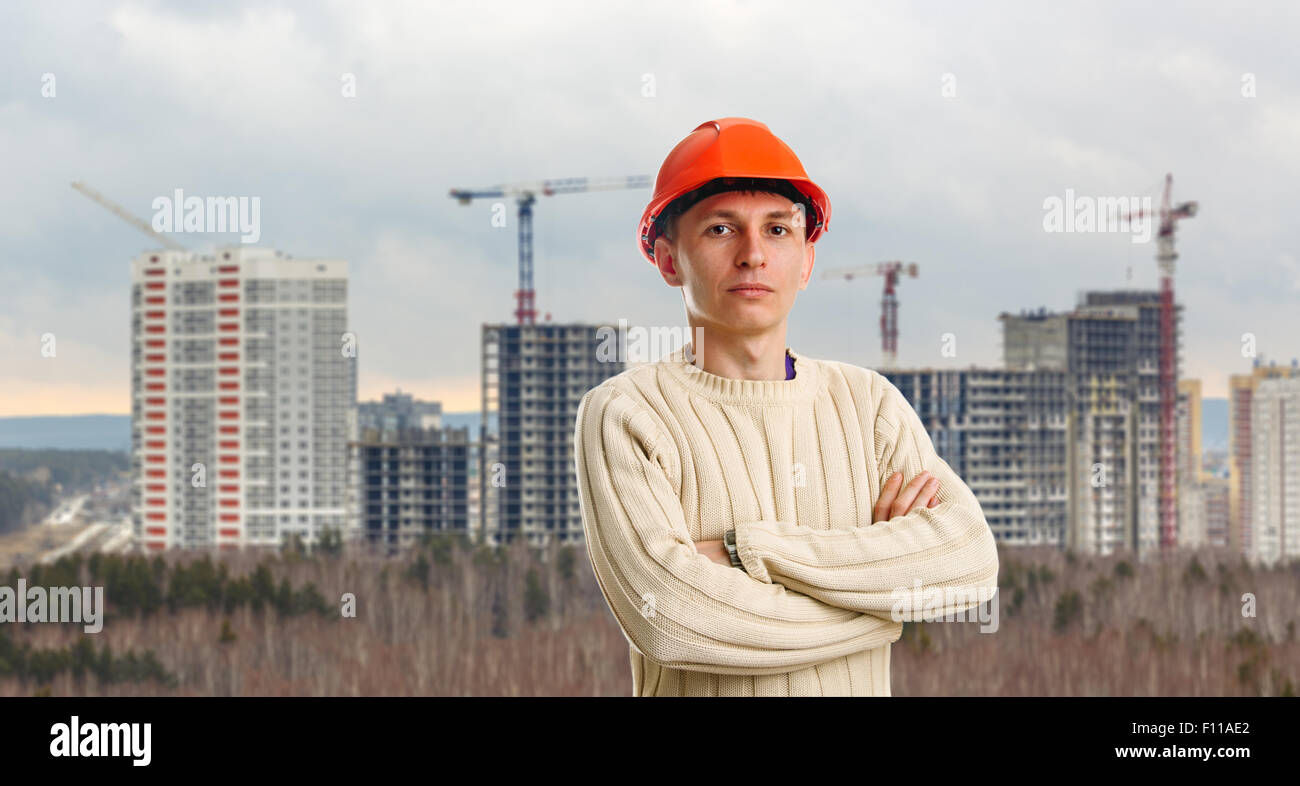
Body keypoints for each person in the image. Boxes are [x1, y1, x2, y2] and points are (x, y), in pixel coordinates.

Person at [573, 117, 999, 696]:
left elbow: (967, 562)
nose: (753, 254)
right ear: (669, 260)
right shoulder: (627, 414)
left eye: (777, 229)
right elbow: (672, 619)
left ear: (807, 260)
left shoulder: (868, 405)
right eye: (722, 229)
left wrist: (744, 550)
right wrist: (880, 607)